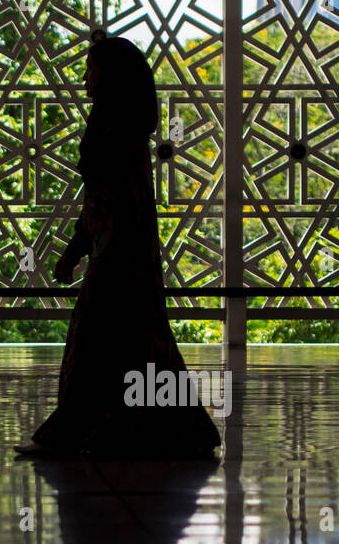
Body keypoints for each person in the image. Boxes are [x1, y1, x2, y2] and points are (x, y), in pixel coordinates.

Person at [15, 35, 221, 458]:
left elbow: (109, 200)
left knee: (95, 342)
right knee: (138, 340)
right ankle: (181, 432)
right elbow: (103, 199)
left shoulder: (117, 133)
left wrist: (82, 250)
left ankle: (69, 434)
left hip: (116, 254)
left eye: (91, 69)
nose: (84, 78)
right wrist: (79, 248)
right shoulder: (119, 128)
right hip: (123, 251)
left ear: (110, 76)